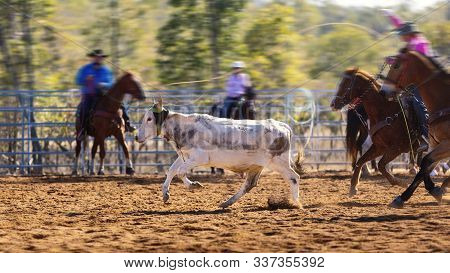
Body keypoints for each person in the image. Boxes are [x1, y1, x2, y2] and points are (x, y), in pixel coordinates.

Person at [381, 9, 432, 153]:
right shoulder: (411, 41)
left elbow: (413, 61)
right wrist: (390, 15)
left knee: (417, 103)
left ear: (408, 34)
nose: (401, 37)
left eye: (402, 35)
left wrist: (396, 59)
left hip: (422, 82)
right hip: (412, 81)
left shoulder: (419, 43)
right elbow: (400, 25)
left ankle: (425, 136)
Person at [75, 49, 135, 138]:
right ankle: (83, 130)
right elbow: (78, 80)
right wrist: (86, 80)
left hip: (104, 95)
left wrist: (103, 84)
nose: (98, 59)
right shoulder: (85, 69)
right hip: (90, 94)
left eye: (100, 57)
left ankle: (127, 124)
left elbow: (111, 83)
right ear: (92, 58)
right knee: (85, 107)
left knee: (120, 104)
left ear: (102, 58)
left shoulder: (106, 70)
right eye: (96, 57)